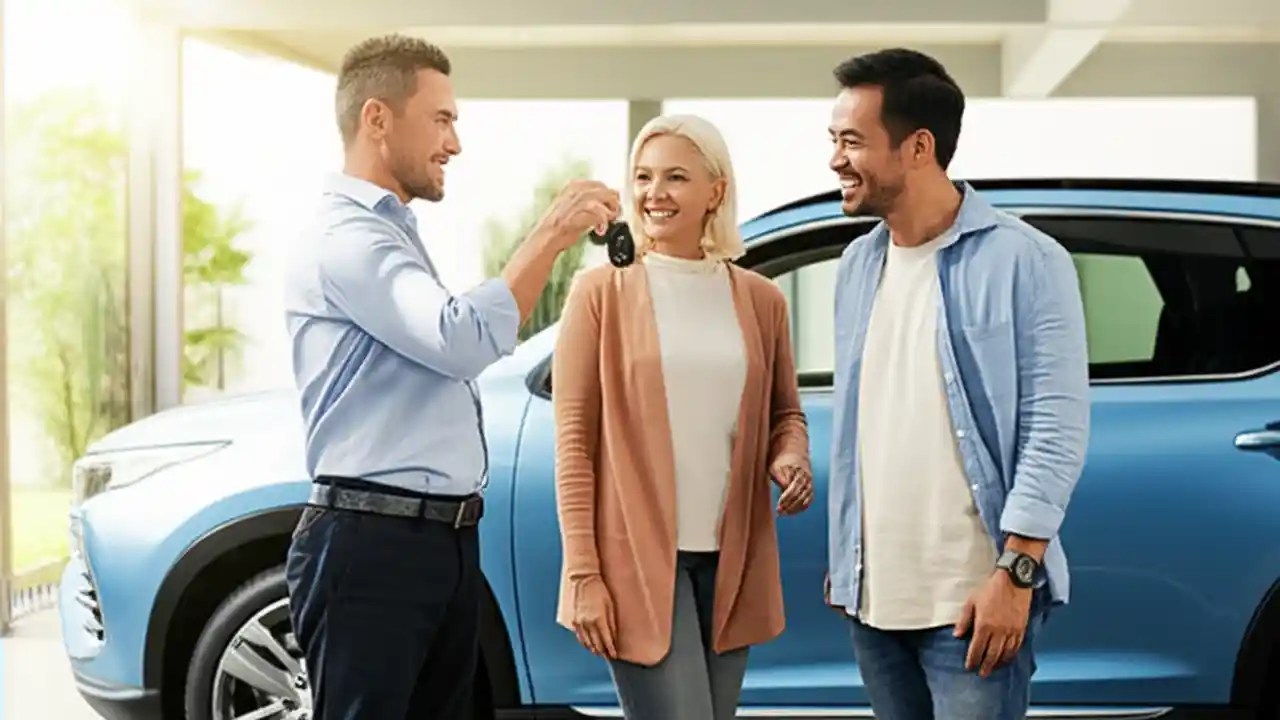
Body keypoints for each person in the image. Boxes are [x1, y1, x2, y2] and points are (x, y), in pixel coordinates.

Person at [281, 34, 620, 719]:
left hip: (439, 543)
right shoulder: (347, 239)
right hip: (372, 550)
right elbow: (457, 336)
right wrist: (550, 234)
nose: (455, 143)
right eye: (441, 119)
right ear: (377, 119)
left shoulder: (393, 232)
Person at [824, 48, 1090, 719]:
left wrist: (1017, 573)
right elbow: (865, 421)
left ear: (918, 147)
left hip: (973, 606)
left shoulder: (1027, 261)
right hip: (875, 605)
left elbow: (1056, 429)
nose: (834, 159)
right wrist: (850, 555)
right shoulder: (857, 265)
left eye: (852, 141)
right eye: (833, 140)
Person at [551, 113, 814, 720]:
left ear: (715, 191)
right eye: (642, 177)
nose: (653, 193)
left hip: (730, 562)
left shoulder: (760, 300)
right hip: (636, 566)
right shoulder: (600, 296)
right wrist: (583, 575)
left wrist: (790, 455)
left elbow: (785, 414)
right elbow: (574, 444)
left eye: (675, 177)